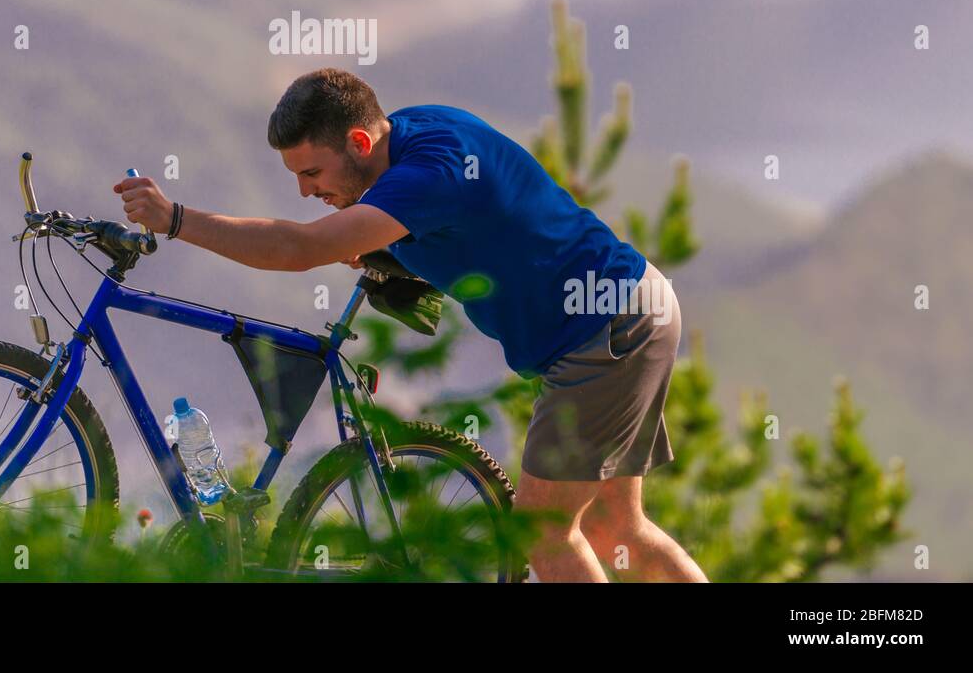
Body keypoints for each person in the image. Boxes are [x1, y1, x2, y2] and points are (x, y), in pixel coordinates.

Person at [114, 67, 707, 583]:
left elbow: (299, 247)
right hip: (626, 309)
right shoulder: (411, 130)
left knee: (541, 535)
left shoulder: (429, 176)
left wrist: (176, 219)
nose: (305, 190)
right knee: (615, 528)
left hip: (606, 330)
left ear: (358, 140)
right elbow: (476, 227)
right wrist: (386, 249)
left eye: (313, 172)